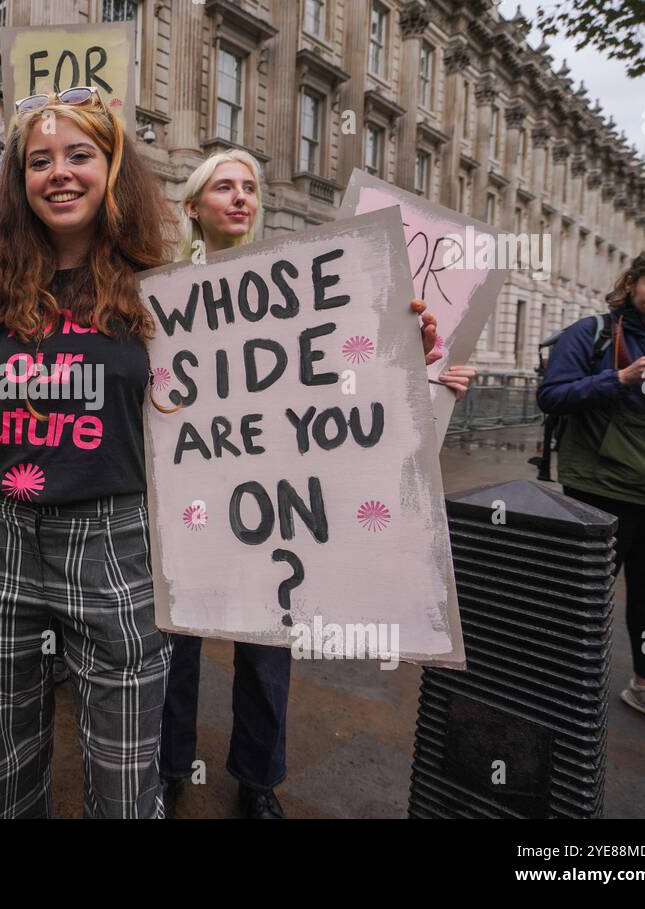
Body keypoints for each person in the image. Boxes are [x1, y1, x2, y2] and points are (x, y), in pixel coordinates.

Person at [161, 151, 477, 818]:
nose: (241, 197)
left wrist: (419, 371)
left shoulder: (296, 282)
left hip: (277, 501)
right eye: (224, 186)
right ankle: (168, 766)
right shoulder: (161, 293)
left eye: (250, 185)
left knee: (269, 644)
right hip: (192, 492)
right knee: (175, 643)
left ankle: (258, 778)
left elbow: (343, 373)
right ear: (193, 206)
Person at [0, 86, 176, 818]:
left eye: (80, 154)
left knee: (125, 784)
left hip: (115, 548)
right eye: (39, 160)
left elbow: (259, 397)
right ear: (21, 183)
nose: (60, 173)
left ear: (112, 168)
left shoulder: (162, 293)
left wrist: (409, 358)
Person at [537, 242, 645, 741]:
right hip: (601, 482)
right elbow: (553, 396)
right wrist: (620, 377)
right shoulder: (590, 333)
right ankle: (559, 685)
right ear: (631, 283)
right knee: (583, 589)